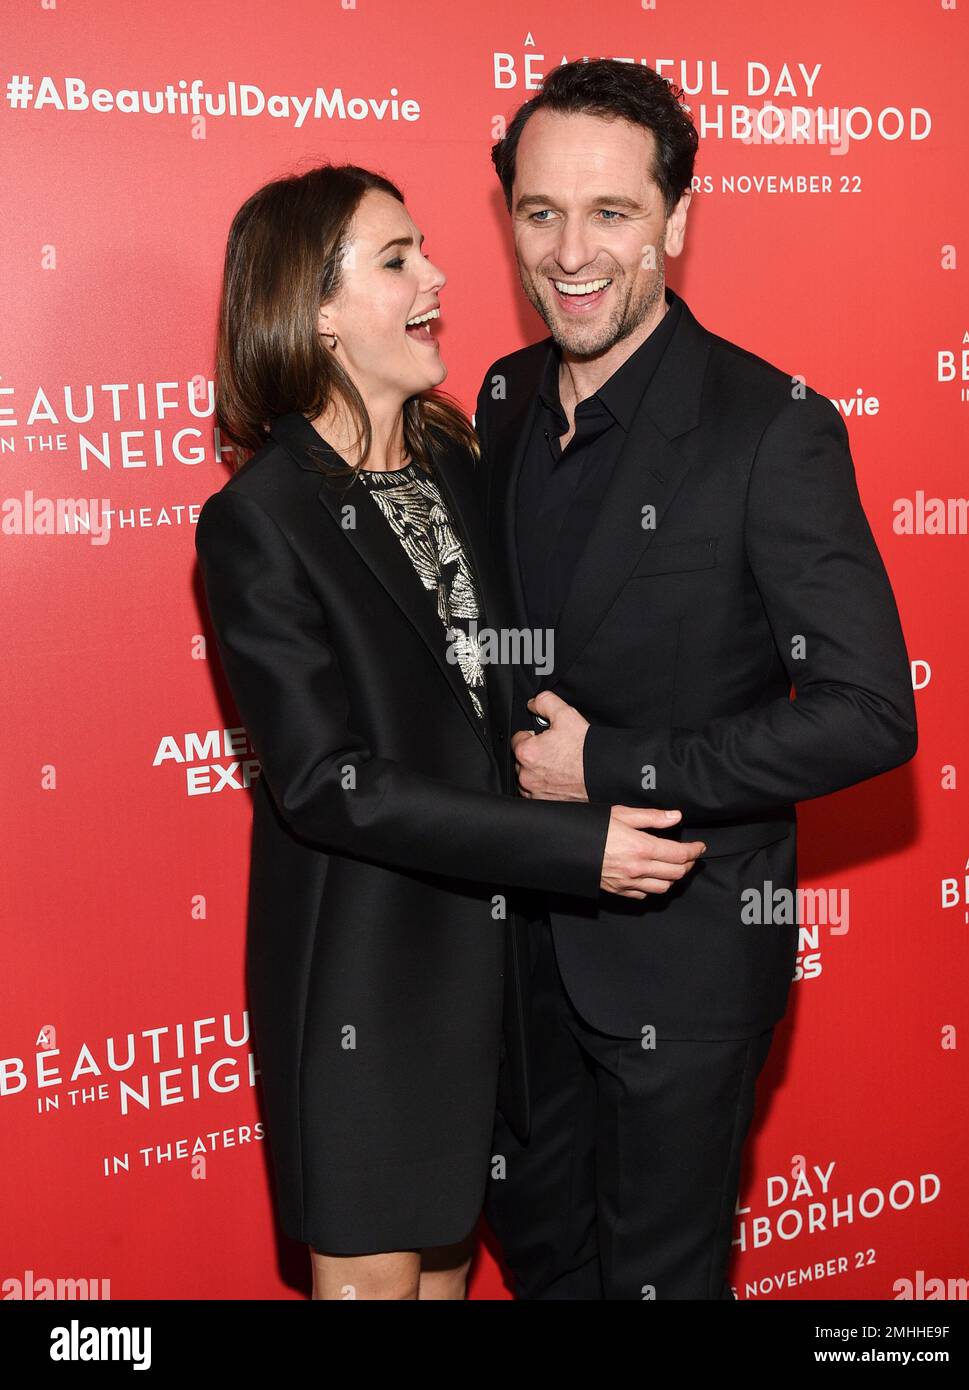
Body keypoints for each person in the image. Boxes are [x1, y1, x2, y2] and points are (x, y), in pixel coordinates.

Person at [194, 161, 703, 1301]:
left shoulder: (456, 461)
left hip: (492, 980)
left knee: (450, 1282)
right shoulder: (258, 519)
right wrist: (578, 847)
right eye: (396, 259)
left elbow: (503, 686)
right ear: (315, 311)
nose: (437, 275)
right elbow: (329, 783)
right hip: (367, 991)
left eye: (425, 248)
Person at [474, 58, 918, 1299]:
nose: (571, 252)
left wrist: (612, 767)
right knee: (548, 1266)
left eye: (611, 213)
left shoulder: (770, 427)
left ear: (675, 219)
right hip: (515, 951)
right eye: (539, 212)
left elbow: (873, 712)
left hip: (682, 953)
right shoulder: (504, 398)